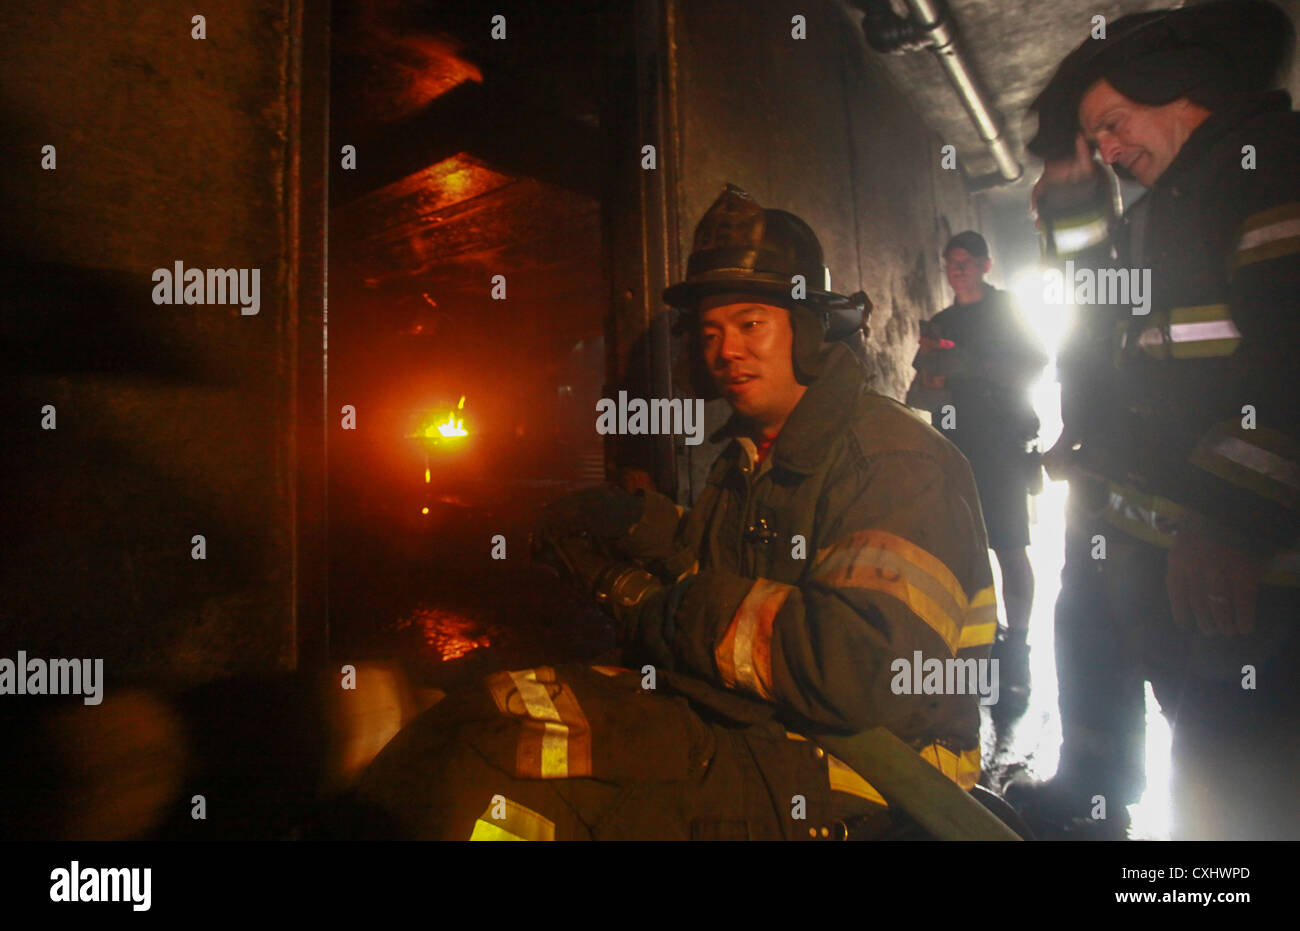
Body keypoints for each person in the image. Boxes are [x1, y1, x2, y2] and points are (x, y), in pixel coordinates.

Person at [349, 184, 998, 840]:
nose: (726, 351)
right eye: (711, 332)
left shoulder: (896, 461)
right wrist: (637, 526)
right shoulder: (747, 458)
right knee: (488, 720)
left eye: (750, 324)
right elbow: (723, 566)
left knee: (501, 785)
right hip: (765, 725)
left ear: (808, 328)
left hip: (877, 778)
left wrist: (660, 609)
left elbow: (862, 669)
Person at [1009, 0, 1300, 840]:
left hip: (1240, 576)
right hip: (1143, 547)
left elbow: (1292, 354)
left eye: (1112, 123)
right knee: (1103, 671)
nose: (1108, 148)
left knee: (1235, 791)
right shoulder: (1171, 200)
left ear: (1186, 90)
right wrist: (1071, 196)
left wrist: (1231, 515)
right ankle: (1089, 801)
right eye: (1094, 137)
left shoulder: (1267, 164)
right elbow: (1100, 322)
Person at [907, 231, 1047, 705]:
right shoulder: (942, 320)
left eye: (966, 262)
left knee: (1010, 547)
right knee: (964, 549)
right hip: (956, 444)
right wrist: (933, 369)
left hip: (1003, 444)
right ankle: (976, 645)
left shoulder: (1007, 310)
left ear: (986, 265)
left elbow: (1036, 363)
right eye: (950, 262)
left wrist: (978, 365)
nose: (957, 269)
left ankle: (1019, 647)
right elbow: (921, 390)